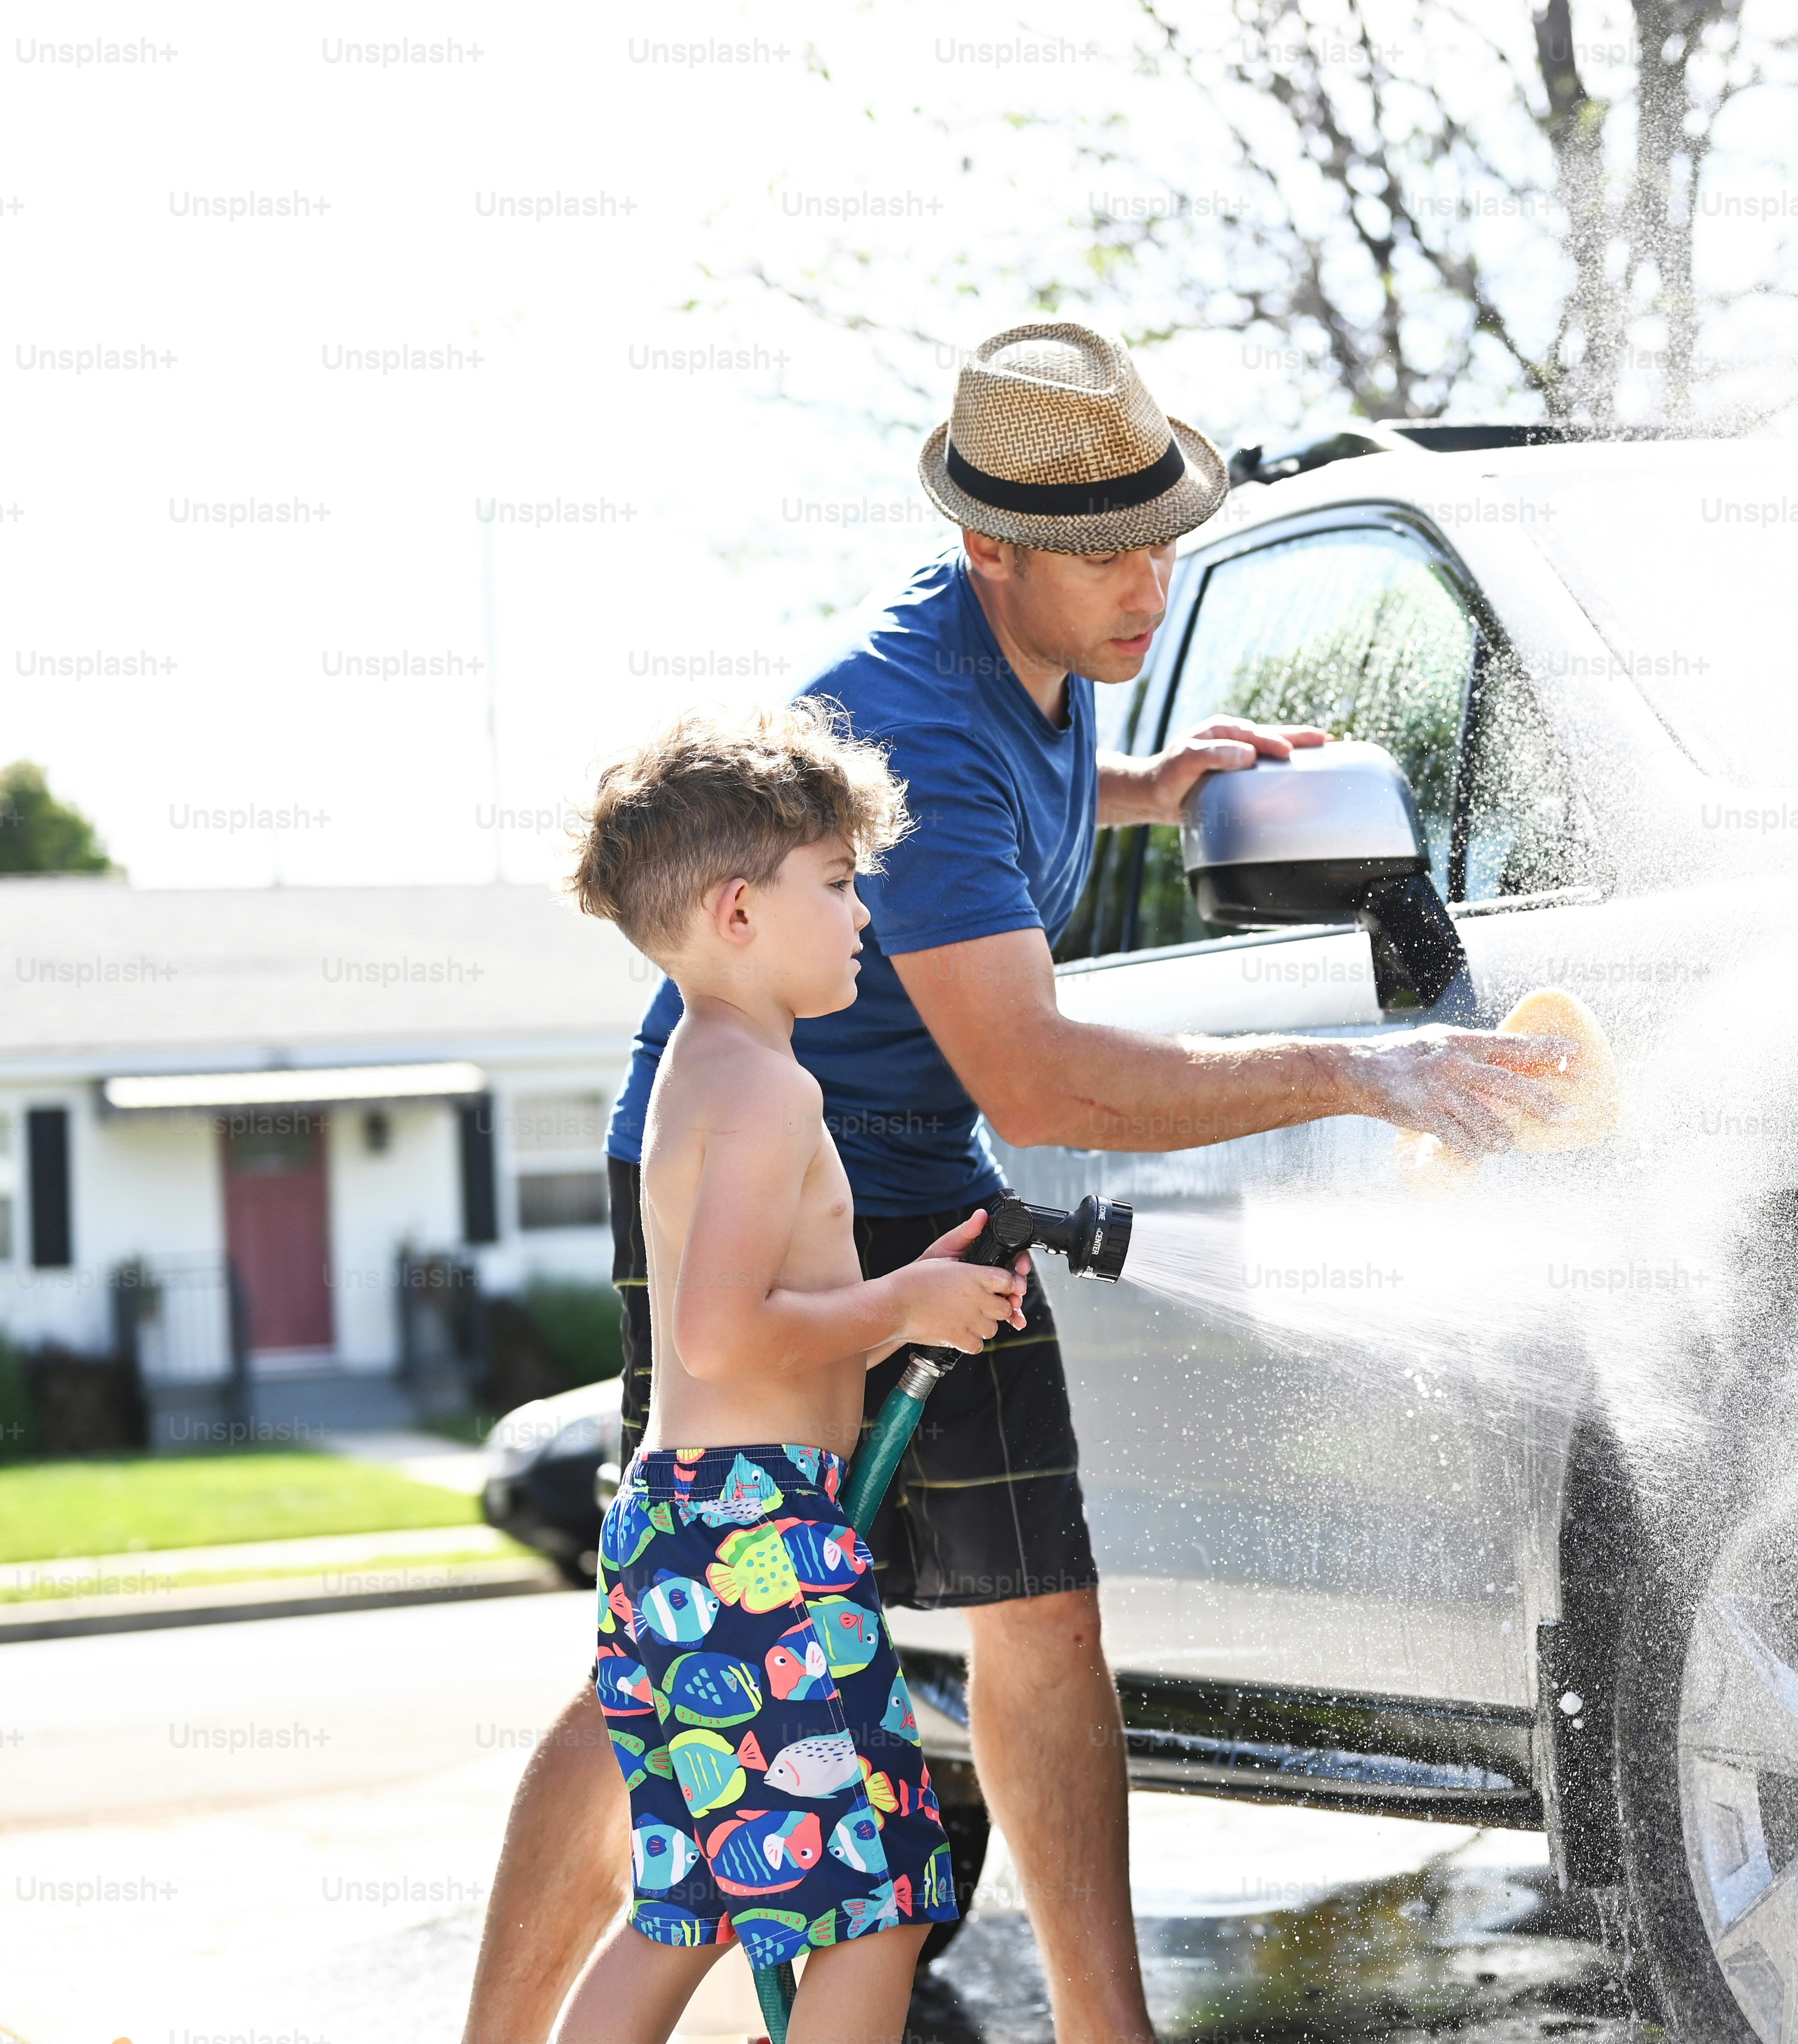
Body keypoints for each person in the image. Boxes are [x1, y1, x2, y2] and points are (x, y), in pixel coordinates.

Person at [464, 322, 1572, 2042]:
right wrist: (1367, 1068)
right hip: (755, 1174)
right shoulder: (905, 707)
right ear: (989, 547)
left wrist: (1148, 787)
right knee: (670, 1659)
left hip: (915, 1176)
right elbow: (1041, 1077)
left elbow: (981, 826)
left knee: (1039, 1617)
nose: (1150, 583)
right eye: (1107, 555)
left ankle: (1103, 2032)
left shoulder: (1045, 671)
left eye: (1160, 537)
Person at [550, 702, 1030, 2041]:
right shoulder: (767, 1090)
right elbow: (718, 1334)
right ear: (739, 912)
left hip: (683, 1534)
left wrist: (909, 1300)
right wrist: (902, 1298)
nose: (866, 913)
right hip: (756, 1537)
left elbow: (760, 1316)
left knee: (693, 1905)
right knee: (878, 1898)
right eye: (837, 882)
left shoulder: (712, 1071)